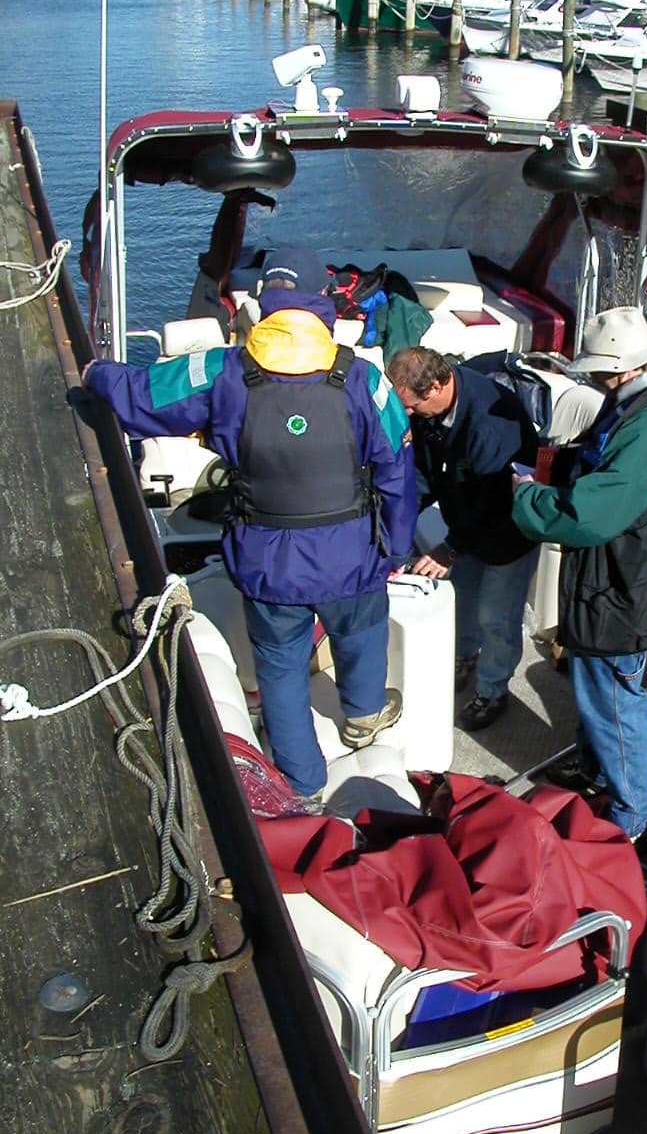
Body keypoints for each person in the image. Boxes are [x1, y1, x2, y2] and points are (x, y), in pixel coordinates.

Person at [83, 245, 418, 807]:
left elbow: (142, 397)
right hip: (353, 555)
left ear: (266, 303)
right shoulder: (363, 379)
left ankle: (303, 784)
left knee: (282, 669)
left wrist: (96, 374)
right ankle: (362, 716)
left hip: (269, 563)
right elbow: (397, 471)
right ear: (324, 303)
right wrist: (396, 547)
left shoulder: (222, 370)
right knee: (361, 635)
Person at [511, 307, 647, 847]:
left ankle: (632, 820)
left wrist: (527, 496)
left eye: (600, 374)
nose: (594, 382)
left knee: (613, 698)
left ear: (627, 370)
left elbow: (594, 515)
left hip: (627, 588)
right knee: (607, 691)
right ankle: (597, 771)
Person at [386, 346, 540, 731]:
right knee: (464, 601)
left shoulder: (491, 421)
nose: (406, 414)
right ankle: (464, 656)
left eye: (411, 406)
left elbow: (494, 500)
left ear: (437, 386)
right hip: (466, 520)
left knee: (496, 617)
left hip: (509, 530)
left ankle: (492, 690)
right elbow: (422, 475)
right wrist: (397, 531)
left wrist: (449, 548)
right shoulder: (429, 413)